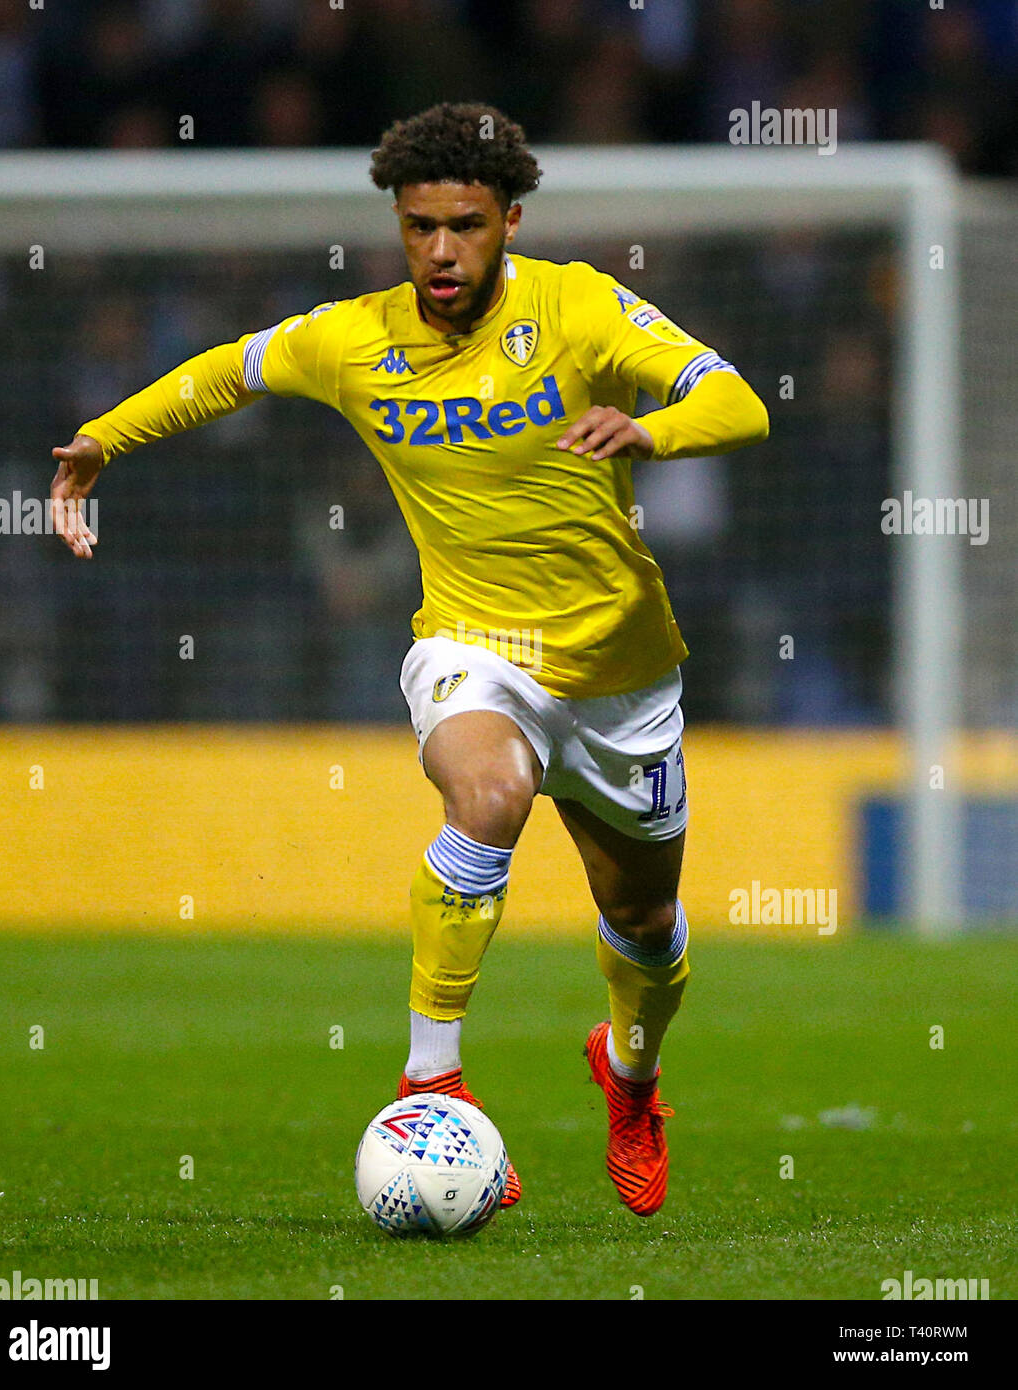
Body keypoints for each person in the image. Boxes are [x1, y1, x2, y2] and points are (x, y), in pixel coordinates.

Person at [50, 103, 769, 1217]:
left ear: (509, 221)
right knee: (487, 794)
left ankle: (630, 1077)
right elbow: (228, 372)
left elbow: (738, 400)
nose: (441, 250)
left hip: (623, 676)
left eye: (466, 226)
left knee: (645, 929)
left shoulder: (577, 303)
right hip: (473, 648)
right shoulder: (355, 339)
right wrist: (105, 435)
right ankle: (431, 1072)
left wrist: (653, 428)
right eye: (420, 225)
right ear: (398, 221)